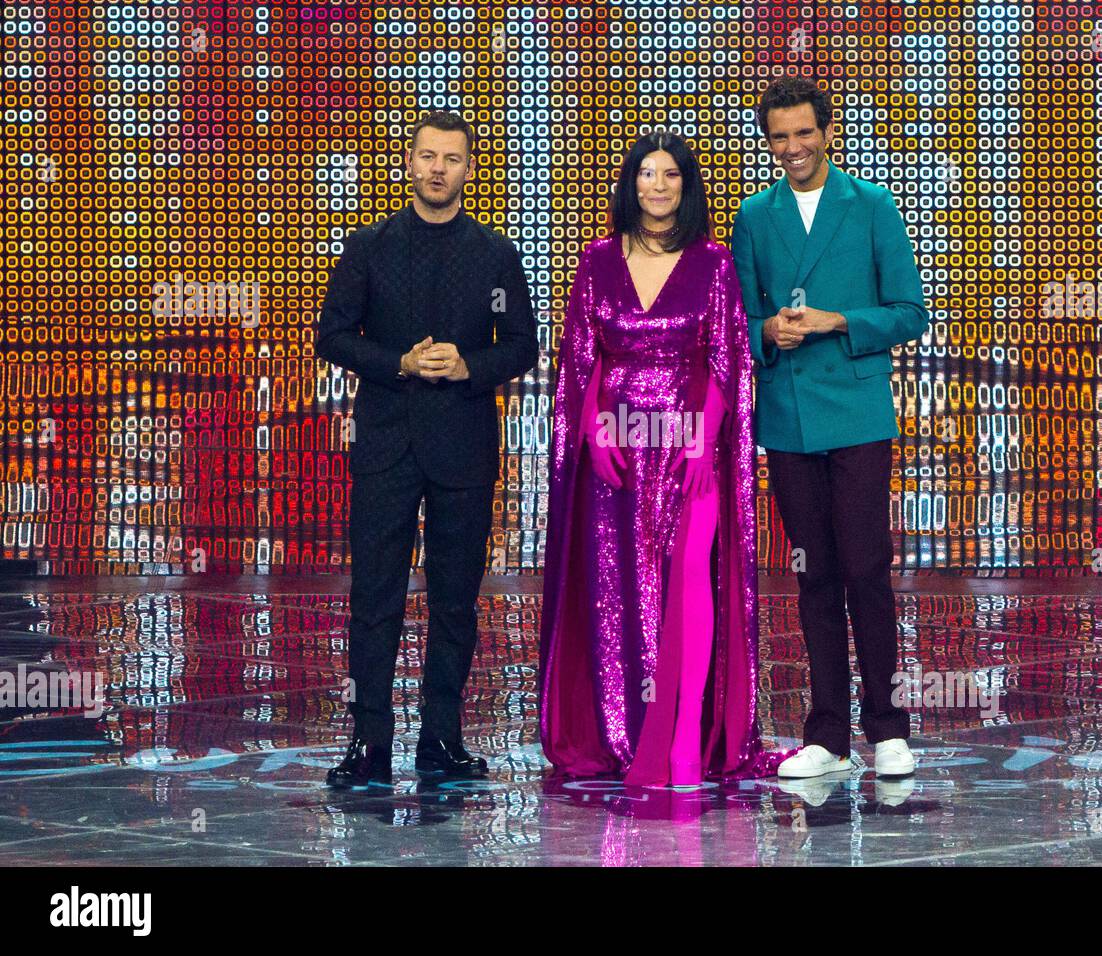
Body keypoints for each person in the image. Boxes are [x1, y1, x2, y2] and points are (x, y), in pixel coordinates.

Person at [539, 129, 778, 788]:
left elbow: (729, 360)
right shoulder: (595, 260)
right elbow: (579, 358)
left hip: (686, 450)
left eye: (671, 174)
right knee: (613, 590)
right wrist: (593, 431)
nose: (658, 185)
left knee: (685, 588)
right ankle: (619, 731)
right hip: (612, 453)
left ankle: (681, 735)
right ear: (631, 183)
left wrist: (706, 441)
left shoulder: (715, 262)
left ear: (686, 185)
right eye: (647, 172)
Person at [314, 110, 538, 787]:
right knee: (373, 596)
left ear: (469, 169)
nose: (438, 168)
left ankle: (442, 738)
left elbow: (522, 345)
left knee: (454, 602)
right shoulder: (370, 247)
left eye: (452, 158)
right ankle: (368, 743)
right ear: (409, 164)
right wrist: (400, 364)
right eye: (428, 156)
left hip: (463, 445)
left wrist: (468, 365)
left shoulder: (495, 255)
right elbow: (333, 336)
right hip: (386, 443)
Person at [731, 77, 928, 780]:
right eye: (779, 137)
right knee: (810, 576)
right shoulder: (755, 216)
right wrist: (767, 333)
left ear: (827, 130)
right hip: (789, 416)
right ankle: (827, 737)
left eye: (803, 133)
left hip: (858, 411)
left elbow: (910, 311)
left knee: (866, 569)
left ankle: (888, 730)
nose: (793, 149)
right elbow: (737, 323)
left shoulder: (870, 204)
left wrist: (838, 320)